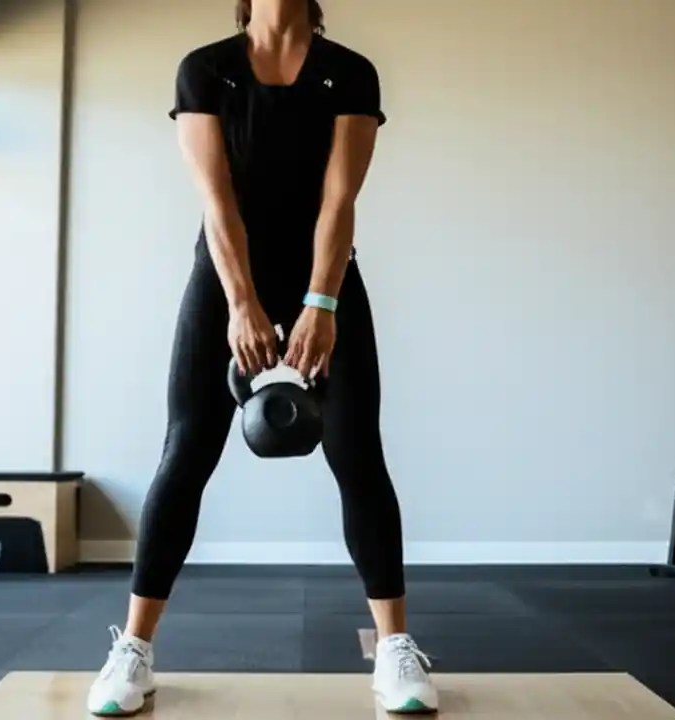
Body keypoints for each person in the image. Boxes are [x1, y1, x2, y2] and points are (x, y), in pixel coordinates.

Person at [87, 0, 437, 715]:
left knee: (357, 452)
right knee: (187, 449)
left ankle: (395, 649)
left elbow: (339, 200)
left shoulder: (350, 73)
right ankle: (134, 650)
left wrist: (322, 303)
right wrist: (241, 303)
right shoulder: (205, 70)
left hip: (324, 275)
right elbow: (217, 201)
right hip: (226, 274)